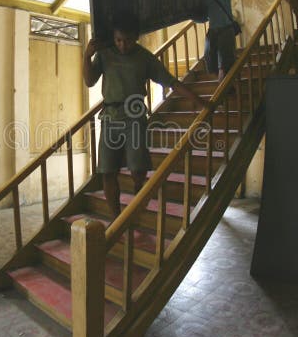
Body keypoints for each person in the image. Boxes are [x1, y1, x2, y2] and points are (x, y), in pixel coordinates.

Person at [83, 24, 209, 216]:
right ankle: (117, 219)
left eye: (127, 40)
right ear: (113, 38)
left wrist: (199, 101)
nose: (123, 45)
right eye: (118, 40)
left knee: (138, 168)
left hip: (134, 117)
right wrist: (87, 56)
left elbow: (171, 82)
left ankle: (138, 187)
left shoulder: (144, 58)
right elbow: (89, 81)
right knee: (107, 172)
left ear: (136, 37)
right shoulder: (105, 54)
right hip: (110, 117)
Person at [197, 0, 236, 81]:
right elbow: (203, 18)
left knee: (224, 63)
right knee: (209, 59)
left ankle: (224, 84)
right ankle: (224, 85)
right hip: (213, 31)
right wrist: (192, 15)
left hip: (226, 29)